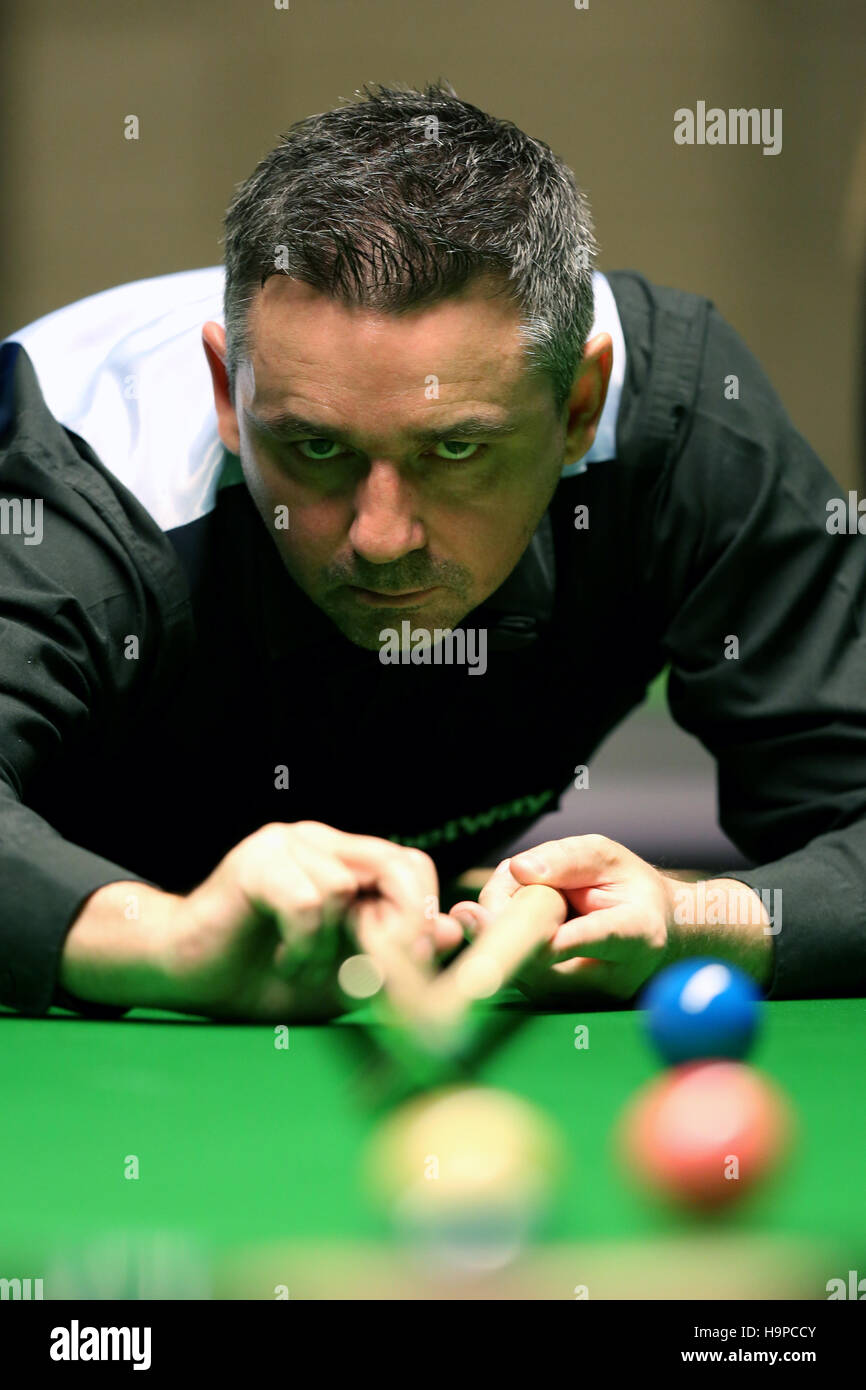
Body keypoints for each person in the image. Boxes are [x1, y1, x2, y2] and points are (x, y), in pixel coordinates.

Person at [1, 81, 864, 1022]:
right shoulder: (74, 494)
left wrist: (696, 921)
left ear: (578, 408)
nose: (381, 539)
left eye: (455, 451)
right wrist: (166, 942)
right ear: (227, 392)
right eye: (317, 448)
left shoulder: (681, 426)